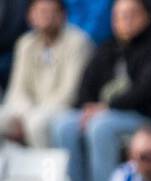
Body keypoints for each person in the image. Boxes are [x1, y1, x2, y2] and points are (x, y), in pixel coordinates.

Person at [50, 0, 151, 181]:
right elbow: (86, 85)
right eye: (119, 16)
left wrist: (107, 107)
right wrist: (88, 106)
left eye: (131, 14)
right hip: (108, 113)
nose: (125, 20)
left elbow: (146, 90)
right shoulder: (107, 47)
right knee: (63, 125)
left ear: (146, 17)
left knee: (101, 127)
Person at [0, 0, 92, 148]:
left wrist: (34, 113)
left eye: (51, 12)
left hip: (64, 108)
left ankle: (44, 169)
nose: (46, 16)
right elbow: (17, 89)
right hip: (29, 109)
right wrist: (25, 112)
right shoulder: (25, 43)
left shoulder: (78, 42)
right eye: (40, 11)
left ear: (63, 15)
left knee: (37, 123)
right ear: (30, 16)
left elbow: (70, 92)